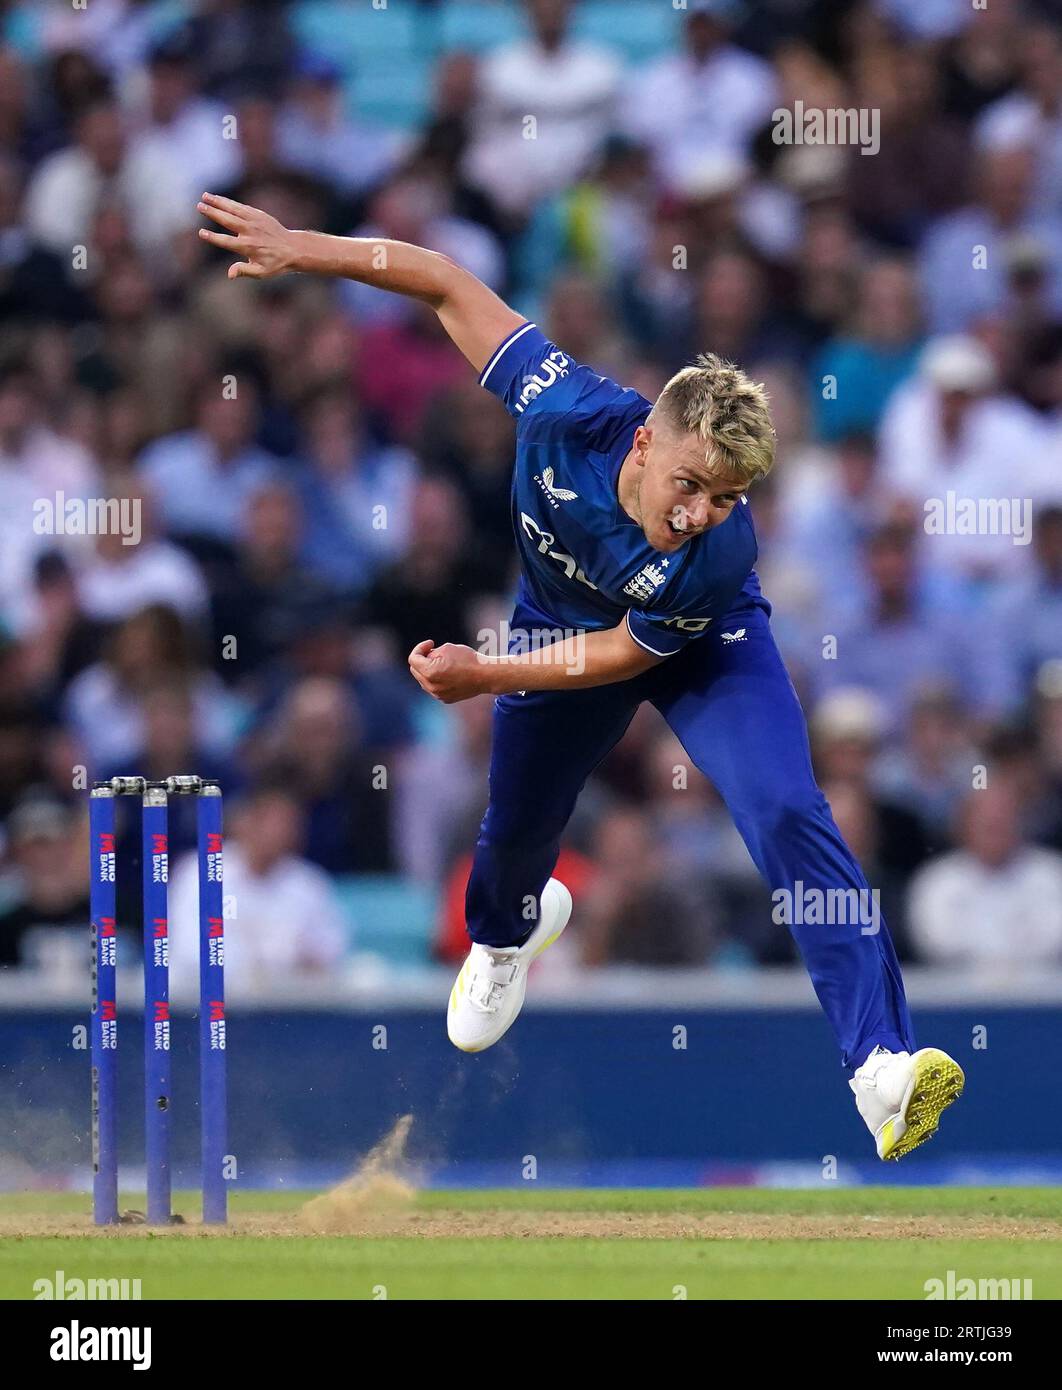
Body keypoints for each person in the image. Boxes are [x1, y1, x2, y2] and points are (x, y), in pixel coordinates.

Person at [196, 189, 965, 1161]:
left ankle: (881, 1069)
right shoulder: (563, 408)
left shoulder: (718, 553)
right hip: (557, 622)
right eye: (689, 485)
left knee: (786, 812)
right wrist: (301, 248)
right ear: (644, 440)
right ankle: (506, 936)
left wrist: (490, 673)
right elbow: (439, 278)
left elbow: (627, 657)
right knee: (516, 832)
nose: (699, 513)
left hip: (698, 645)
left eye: (726, 497)